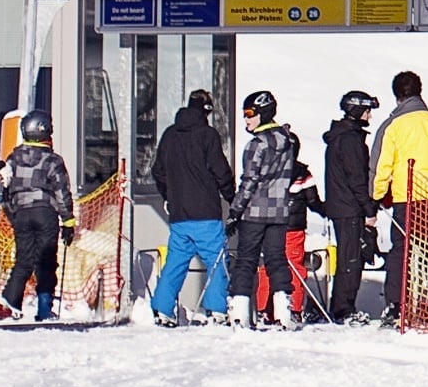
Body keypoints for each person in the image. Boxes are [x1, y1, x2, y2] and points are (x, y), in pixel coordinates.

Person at [369, 74, 428, 325]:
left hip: (406, 198)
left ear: (396, 94)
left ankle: (396, 306)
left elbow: (381, 165)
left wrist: (376, 195)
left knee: (402, 252)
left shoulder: (393, 125)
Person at [148, 91, 234, 325]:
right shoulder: (208, 135)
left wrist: (169, 196)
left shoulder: (170, 135)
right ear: (206, 110)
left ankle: (162, 308)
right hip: (206, 212)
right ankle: (217, 310)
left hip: (179, 214)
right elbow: (220, 171)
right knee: (216, 261)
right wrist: (233, 198)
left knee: (176, 262)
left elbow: (158, 171)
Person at [232, 92, 309, 327]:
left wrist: (235, 211)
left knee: (246, 260)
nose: (246, 120)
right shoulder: (287, 142)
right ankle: (284, 313)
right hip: (278, 212)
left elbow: (249, 181)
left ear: (262, 114)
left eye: (249, 114)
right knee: (277, 260)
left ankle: (240, 314)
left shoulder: (256, 144)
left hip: (254, 212)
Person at [0, 113, 76, 321]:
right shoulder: (52, 160)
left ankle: (12, 298)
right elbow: (61, 191)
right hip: (45, 212)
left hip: (21, 213)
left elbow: (5, 190)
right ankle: (44, 308)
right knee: (46, 261)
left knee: (24, 258)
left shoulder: (12, 159)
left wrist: (13, 214)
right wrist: (68, 221)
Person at [321, 92, 378, 321]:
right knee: (350, 260)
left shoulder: (341, 136)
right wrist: (368, 208)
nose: (370, 116)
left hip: (341, 206)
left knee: (348, 258)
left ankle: (341, 307)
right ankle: (343, 310)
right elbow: (357, 177)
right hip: (349, 208)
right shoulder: (350, 139)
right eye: (367, 111)